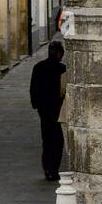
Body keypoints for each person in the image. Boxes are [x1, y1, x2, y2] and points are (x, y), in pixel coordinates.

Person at [29, 41, 66, 181]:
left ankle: (47, 169)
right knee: (57, 140)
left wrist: (36, 104)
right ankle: (54, 169)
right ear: (59, 53)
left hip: (44, 110)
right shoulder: (62, 69)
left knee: (47, 139)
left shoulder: (38, 67)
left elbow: (33, 88)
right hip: (58, 109)